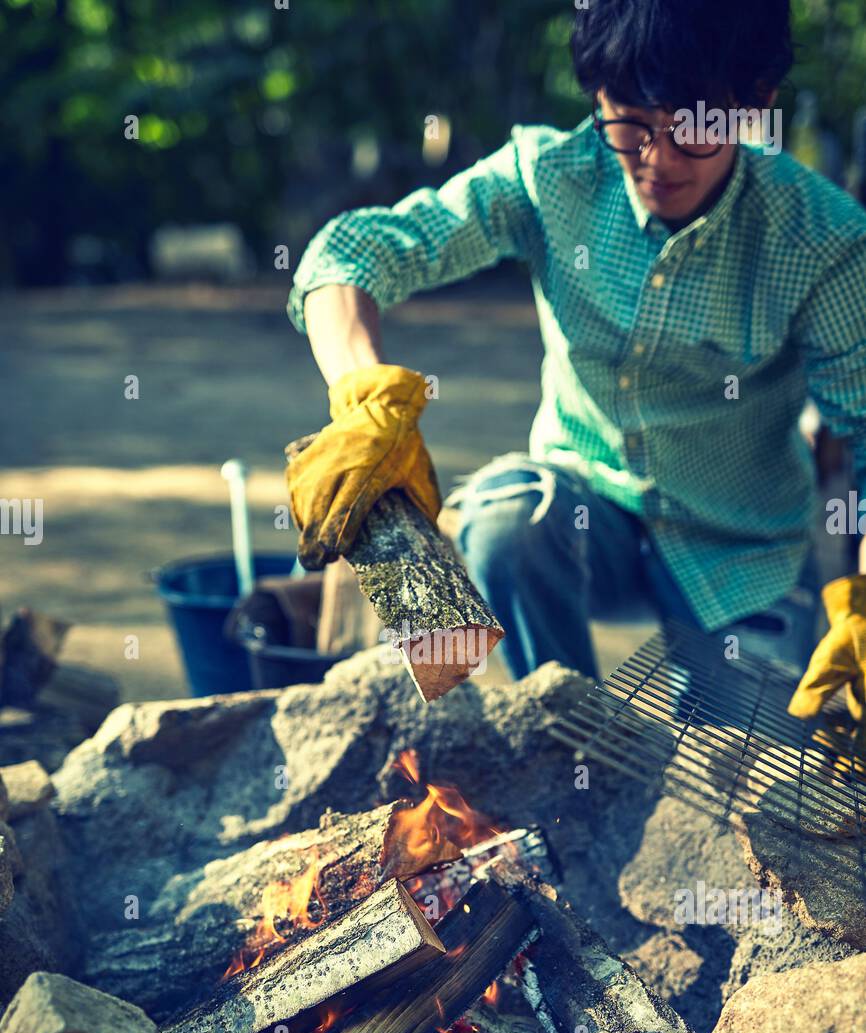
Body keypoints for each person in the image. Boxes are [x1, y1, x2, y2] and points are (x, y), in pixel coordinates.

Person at [285, 0, 866, 735]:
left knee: (749, 778)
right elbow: (351, 254)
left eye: (693, 132)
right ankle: (568, 744)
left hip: (743, 554)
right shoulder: (547, 176)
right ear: (597, 100)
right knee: (502, 519)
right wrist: (360, 396)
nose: (657, 161)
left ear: (755, 105)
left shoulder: (824, 236)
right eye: (630, 124)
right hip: (582, 519)